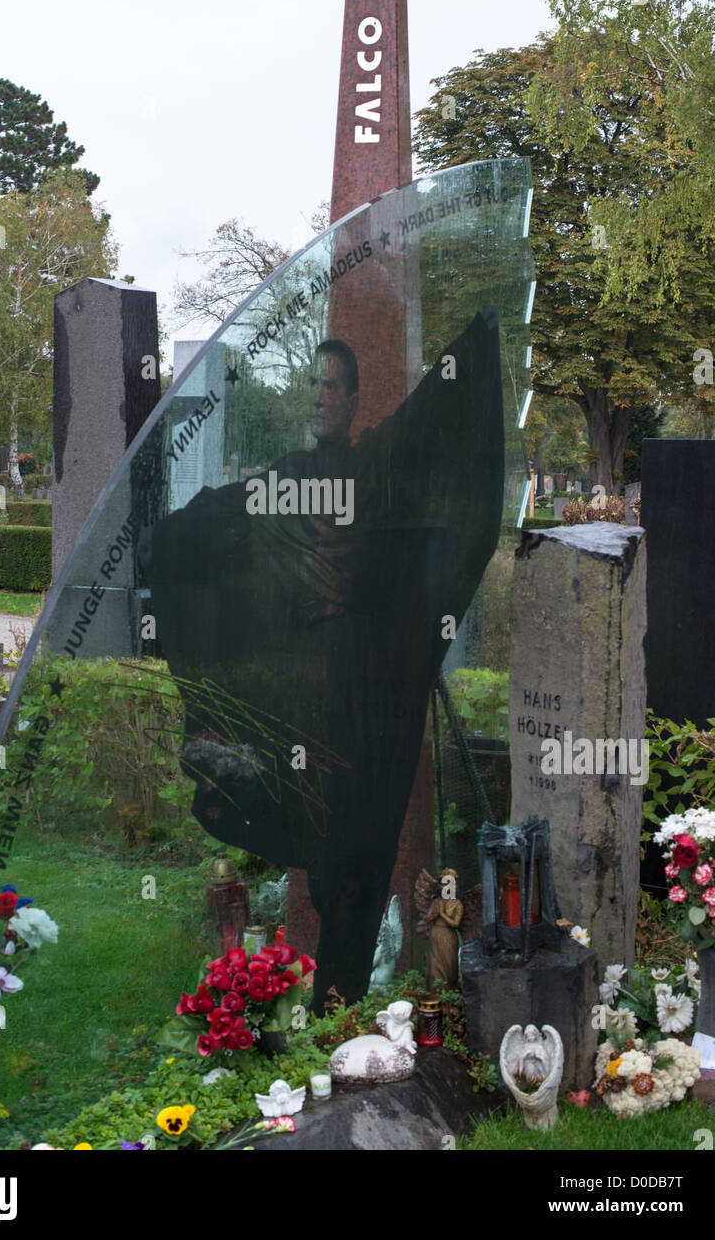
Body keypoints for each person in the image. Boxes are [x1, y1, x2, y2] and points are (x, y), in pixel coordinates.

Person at [145, 306, 503, 1012]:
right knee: (315, 835)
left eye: (332, 386)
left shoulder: (373, 470)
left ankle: (338, 1001)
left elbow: (428, 444)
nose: (318, 396)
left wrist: (475, 348)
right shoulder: (284, 477)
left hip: (360, 700)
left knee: (356, 851)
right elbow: (214, 529)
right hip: (297, 703)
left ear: (352, 399)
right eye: (311, 384)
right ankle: (318, 1001)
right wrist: (161, 538)